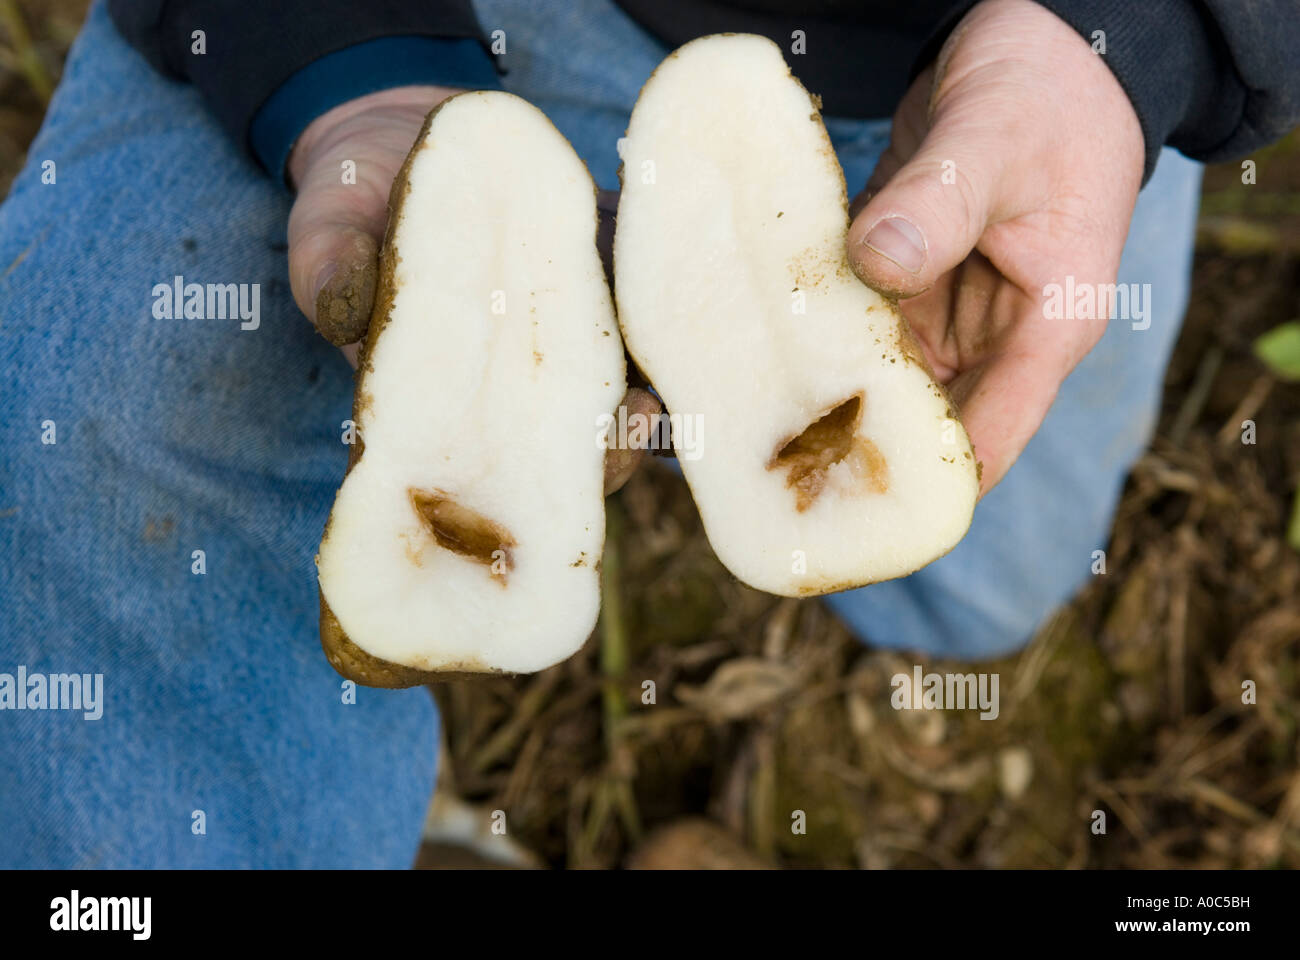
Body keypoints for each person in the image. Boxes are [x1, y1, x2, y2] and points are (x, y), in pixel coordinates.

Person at [0, 0, 1295, 867]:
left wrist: (1134, 44)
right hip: (432, 28)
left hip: (1001, 63)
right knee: (96, 419)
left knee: (985, 576)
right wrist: (338, 65)